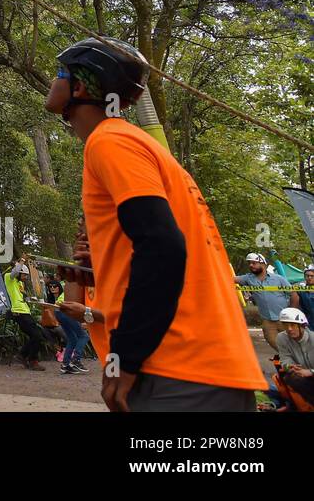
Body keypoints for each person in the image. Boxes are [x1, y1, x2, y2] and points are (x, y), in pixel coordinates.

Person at [47, 36, 264, 411]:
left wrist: (126, 357)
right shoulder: (135, 146)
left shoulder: (110, 142)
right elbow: (161, 245)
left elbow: (163, 246)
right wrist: (103, 272)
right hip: (203, 368)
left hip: (176, 368)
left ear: (79, 87)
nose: (54, 80)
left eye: (60, 72)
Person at [235, 252, 291, 353]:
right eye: (250, 263)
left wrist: (292, 311)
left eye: (254, 263)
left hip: (284, 318)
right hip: (267, 320)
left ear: (263, 264)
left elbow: (294, 295)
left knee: (293, 342)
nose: (251, 265)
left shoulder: (279, 279)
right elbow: (230, 279)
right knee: (273, 342)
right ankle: (289, 359)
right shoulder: (248, 278)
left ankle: (298, 361)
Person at [4, 262, 46, 371]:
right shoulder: (9, 278)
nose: (26, 277)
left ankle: (22, 355)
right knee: (37, 335)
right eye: (24, 275)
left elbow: (21, 297)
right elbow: (15, 272)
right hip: (19, 313)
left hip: (26, 312)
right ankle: (32, 360)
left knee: (38, 335)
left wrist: (30, 299)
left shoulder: (20, 284)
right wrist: (22, 260)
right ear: (18, 273)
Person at [51, 278, 91, 374]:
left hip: (59, 311)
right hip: (66, 311)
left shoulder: (72, 285)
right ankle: (76, 360)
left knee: (72, 339)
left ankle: (66, 365)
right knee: (84, 336)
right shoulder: (82, 286)